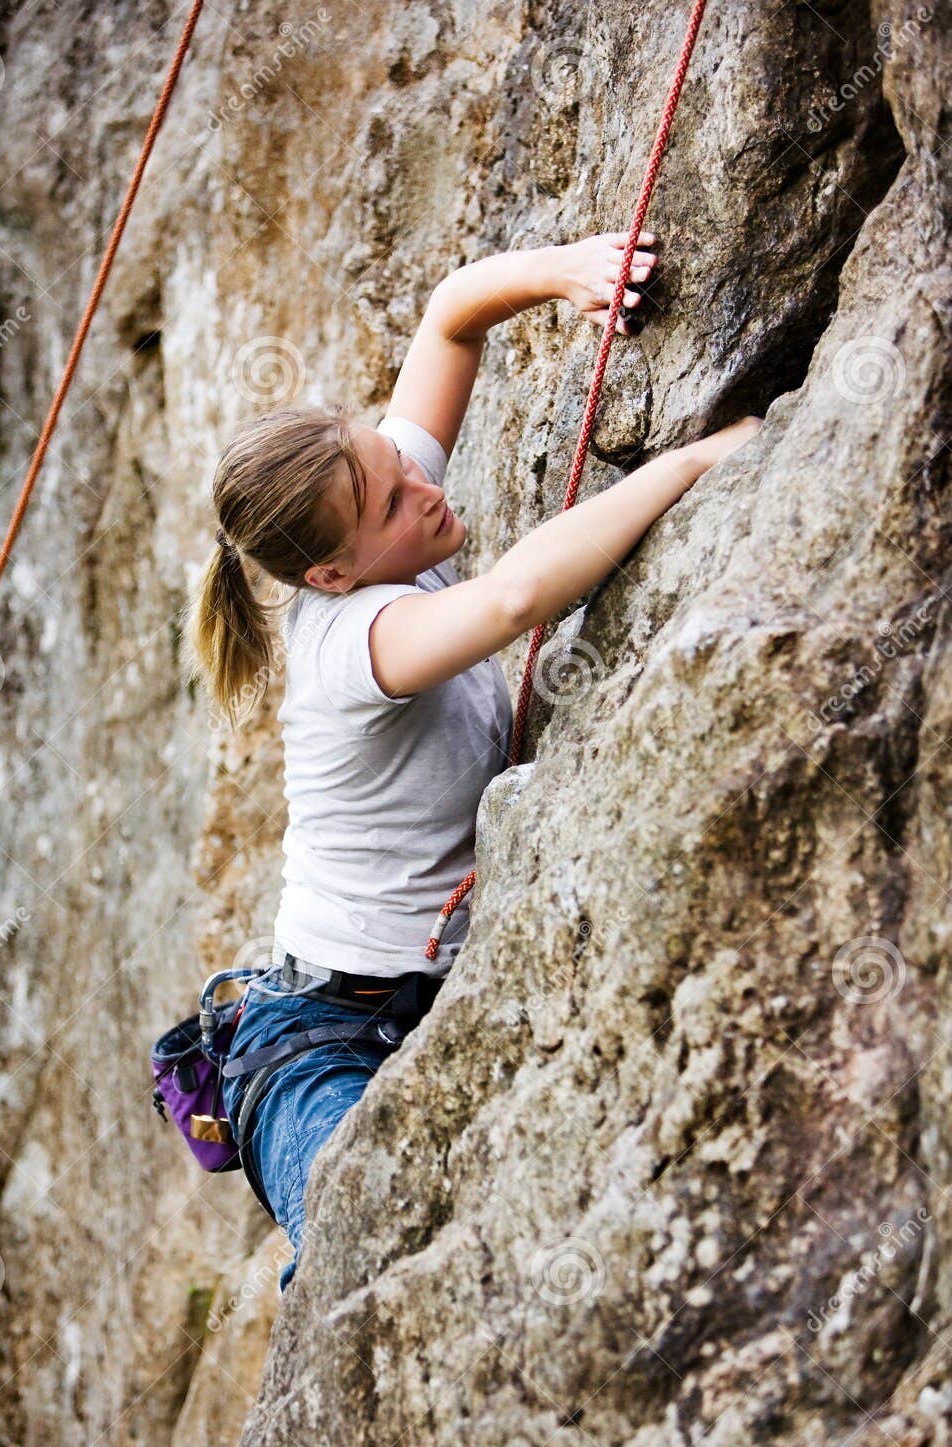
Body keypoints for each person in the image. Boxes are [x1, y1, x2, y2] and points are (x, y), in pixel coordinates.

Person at [181, 230, 762, 1294]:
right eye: (393, 499)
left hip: (409, 1001)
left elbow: (451, 312)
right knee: (367, 1247)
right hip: (317, 1041)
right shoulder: (349, 641)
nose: (419, 481)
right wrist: (686, 464)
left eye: (391, 455)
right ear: (330, 569)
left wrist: (573, 271)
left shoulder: (381, 510)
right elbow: (509, 600)